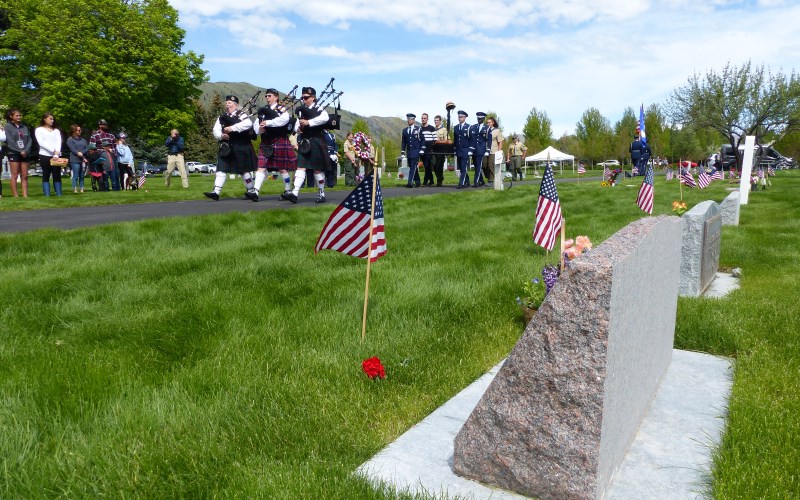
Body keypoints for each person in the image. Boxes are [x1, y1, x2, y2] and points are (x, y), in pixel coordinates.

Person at [282, 87, 330, 204]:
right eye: (302, 97)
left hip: (316, 140)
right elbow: (297, 124)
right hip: (304, 141)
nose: (304, 99)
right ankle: (295, 193)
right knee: (301, 166)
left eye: (306, 97)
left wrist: (309, 122)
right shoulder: (301, 110)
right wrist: (298, 129)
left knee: (317, 169)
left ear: (313, 97)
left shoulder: (319, 108)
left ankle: (321, 192)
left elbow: (325, 118)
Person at [205, 95, 257, 201]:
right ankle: (216, 192)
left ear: (236, 105)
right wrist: (221, 135)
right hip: (226, 146)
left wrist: (232, 128)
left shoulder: (242, 115)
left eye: (230, 103)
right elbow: (216, 129)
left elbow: (248, 124)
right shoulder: (222, 116)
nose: (227, 104)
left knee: (243, 170)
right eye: (227, 102)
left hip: (240, 145)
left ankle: (251, 190)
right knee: (221, 168)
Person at [251, 88, 297, 201]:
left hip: (278, 140)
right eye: (266, 96)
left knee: (282, 168)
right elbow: (256, 123)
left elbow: (284, 120)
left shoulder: (281, 109)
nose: (267, 98)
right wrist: (259, 130)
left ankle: (287, 190)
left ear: (276, 97)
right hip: (266, 141)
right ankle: (255, 192)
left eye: (269, 95)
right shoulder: (264, 110)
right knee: (261, 167)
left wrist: (268, 122)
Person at [4, 109, 33, 198]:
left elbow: (29, 140)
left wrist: (26, 150)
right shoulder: (8, 127)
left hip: (25, 153)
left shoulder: (24, 127)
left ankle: (25, 195)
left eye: (20, 115)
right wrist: (19, 151)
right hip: (13, 153)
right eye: (17, 116)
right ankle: (15, 195)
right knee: (15, 174)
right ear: (11, 116)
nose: (19, 117)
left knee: (24, 175)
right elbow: (9, 141)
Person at [35, 113, 64, 197]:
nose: (52, 121)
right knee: (46, 173)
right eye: (50, 119)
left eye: (53, 119)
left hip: (56, 155)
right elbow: (41, 142)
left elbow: (59, 142)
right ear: (45, 119)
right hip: (44, 154)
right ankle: (47, 193)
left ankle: (59, 193)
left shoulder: (56, 130)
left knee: (57, 174)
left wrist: (57, 153)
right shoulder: (39, 130)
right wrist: (53, 151)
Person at [91, 119, 118, 190]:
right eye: (104, 124)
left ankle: (115, 189)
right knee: (104, 176)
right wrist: (102, 151)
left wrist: (114, 153)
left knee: (114, 175)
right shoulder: (95, 136)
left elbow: (115, 147)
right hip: (101, 158)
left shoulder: (111, 136)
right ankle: (105, 188)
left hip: (111, 157)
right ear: (100, 125)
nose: (106, 126)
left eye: (106, 124)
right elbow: (92, 148)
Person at [401, 113, 424, 188]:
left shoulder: (418, 129)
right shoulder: (405, 130)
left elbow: (422, 140)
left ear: (414, 120)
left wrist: (422, 149)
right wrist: (403, 151)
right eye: (408, 119)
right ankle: (417, 182)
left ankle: (410, 183)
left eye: (410, 119)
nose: (408, 120)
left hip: (416, 150)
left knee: (413, 166)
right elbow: (404, 141)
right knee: (412, 166)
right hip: (409, 151)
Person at [468, 111, 490, 186]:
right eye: (478, 118)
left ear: (483, 119)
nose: (479, 120)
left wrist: (488, 150)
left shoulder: (487, 128)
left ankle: (476, 181)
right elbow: (472, 139)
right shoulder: (473, 127)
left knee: (478, 166)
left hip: (481, 150)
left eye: (480, 119)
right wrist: (470, 149)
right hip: (474, 150)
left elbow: (488, 140)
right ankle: (481, 180)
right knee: (476, 165)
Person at [66, 124, 88, 193]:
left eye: (80, 130)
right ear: (74, 131)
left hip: (83, 159)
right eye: (79, 130)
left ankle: (82, 188)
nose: (80, 131)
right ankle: (74, 188)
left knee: (82, 175)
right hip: (75, 159)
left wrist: (82, 153)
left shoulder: (83, 139)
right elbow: (72, 149)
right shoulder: (70, 139)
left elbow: (87, 148)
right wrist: (78, 153)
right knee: (75, 175)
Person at [453, 110, 471, 188]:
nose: (459, 118)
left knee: (463, 167)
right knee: (461, 168)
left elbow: (471, 139)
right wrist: (454, 149)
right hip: (458, 150)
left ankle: (461, 183)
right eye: (459, 117)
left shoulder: (469, 127)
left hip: (465, 150)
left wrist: (470, 149)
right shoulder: (456, 127)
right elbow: (455, 139)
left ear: (465, 117)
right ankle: (467, 181)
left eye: (461, 117)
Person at [429, 115, 447, 187]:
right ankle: (440, 177)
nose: (436, 122)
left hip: (441, 150)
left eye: (437, 120)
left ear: (440, 121)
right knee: (434, 165)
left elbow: (446, 140)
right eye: (435, 120)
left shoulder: (444, 129)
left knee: (439, 166)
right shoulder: (433, 129)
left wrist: (439, 141)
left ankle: (439, 180)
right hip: (433, 150)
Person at [419, 113, 436, 186]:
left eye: (424, 118)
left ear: (427, 119)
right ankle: (431, 180)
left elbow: (435, 139)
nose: (423, 119)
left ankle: (425, 181)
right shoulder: (420, 129)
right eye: (422, 118)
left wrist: (432, 148)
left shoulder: (431, 128)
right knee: (427, 166)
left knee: (427, 165)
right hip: (422, 150)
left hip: (429, 150)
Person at [485, 116, 503, 183]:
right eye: (487, 123)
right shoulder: (485, 130)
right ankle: (489, 177)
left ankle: (491, 180)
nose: (488, 124)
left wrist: (499, 151)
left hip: (493, 151)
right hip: (485, 150)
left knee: (490, 165)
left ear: (493, 123)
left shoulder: (496, 131)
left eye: (489, 122)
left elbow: (500, 141)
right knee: (484, 165)